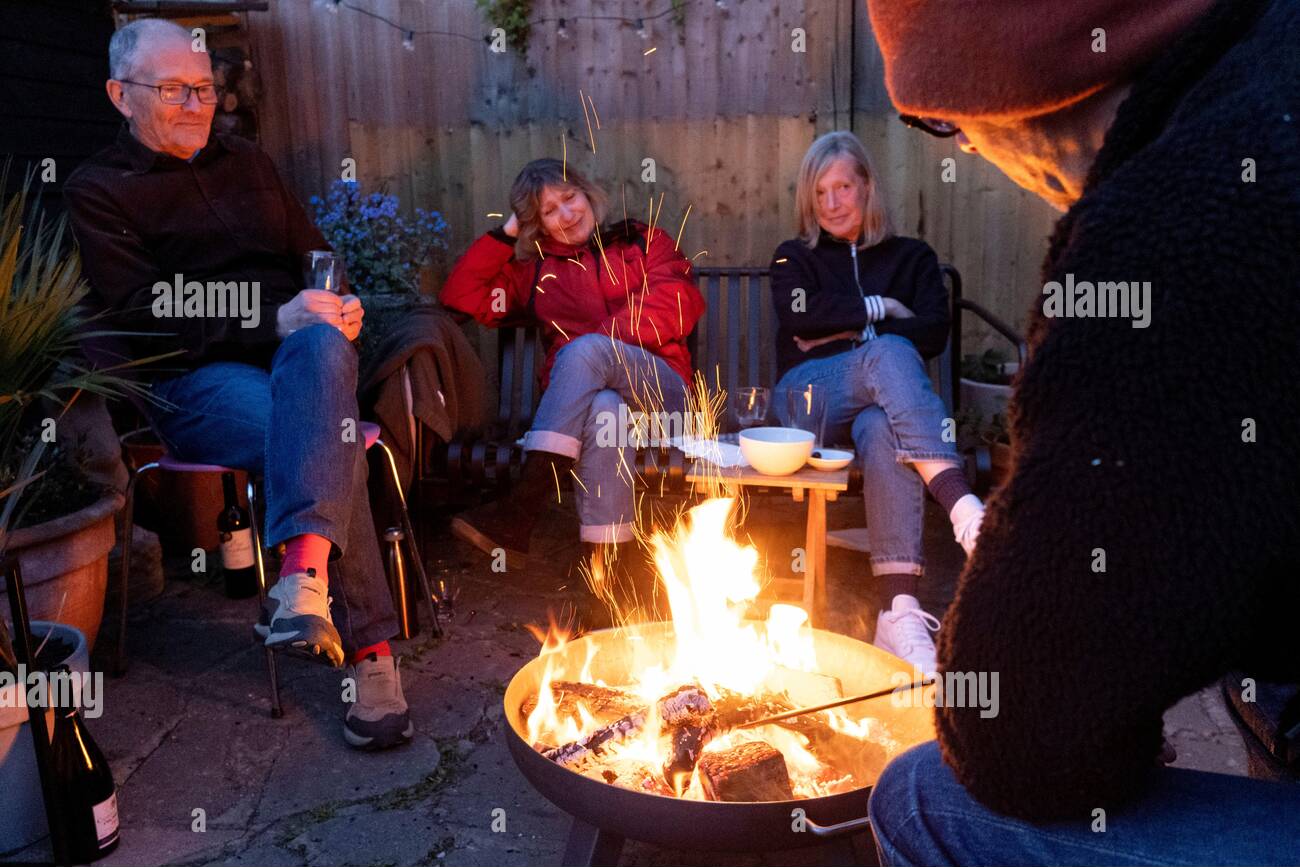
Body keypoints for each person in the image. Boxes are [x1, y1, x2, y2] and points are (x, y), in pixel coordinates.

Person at [864, 0, 1300, 863]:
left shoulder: (1182, 221)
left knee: (927, 802)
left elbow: (1017, 735)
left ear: (1022, 85)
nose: (980, 161)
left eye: (947, 126)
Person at [65, 19, 412, 750]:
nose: (197, 104)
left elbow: (314, 251)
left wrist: (333, 298)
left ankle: (303, 581)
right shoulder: (100, 190)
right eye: (174, 90)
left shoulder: (249, 163)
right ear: (120, 95)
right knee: (324, 437)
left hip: (304, 361)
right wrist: (273, 317)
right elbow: (144, 312)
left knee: (318, 374)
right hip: (198, 382)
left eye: (204, 88)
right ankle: (373, 656)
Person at [440, 159, 705, 611]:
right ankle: (607, 579)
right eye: (548, 211)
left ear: (588, 194)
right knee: (605, 409)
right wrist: (506, 233)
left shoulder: (641, 240)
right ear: (535, 224)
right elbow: (460, 296)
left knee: (584, 352)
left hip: (663, 397)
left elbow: (677, 304)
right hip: (592, 415)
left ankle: (524, 502)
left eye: (570, 198)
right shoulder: (534, 275)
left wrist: (595, 344)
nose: (566, 214)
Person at [770, 131, 984, 674]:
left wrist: (842, 323)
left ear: (867, 186)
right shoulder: (793, 258)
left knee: (885, 429)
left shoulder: (913, 258)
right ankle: (963, 507)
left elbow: (934, 329)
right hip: (806, 399)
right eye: (821, 193)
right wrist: (883, 308)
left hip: (880, 411)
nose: (833, 203)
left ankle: (899, 612)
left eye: (844, 186)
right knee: (888, 351)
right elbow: (801, 320)